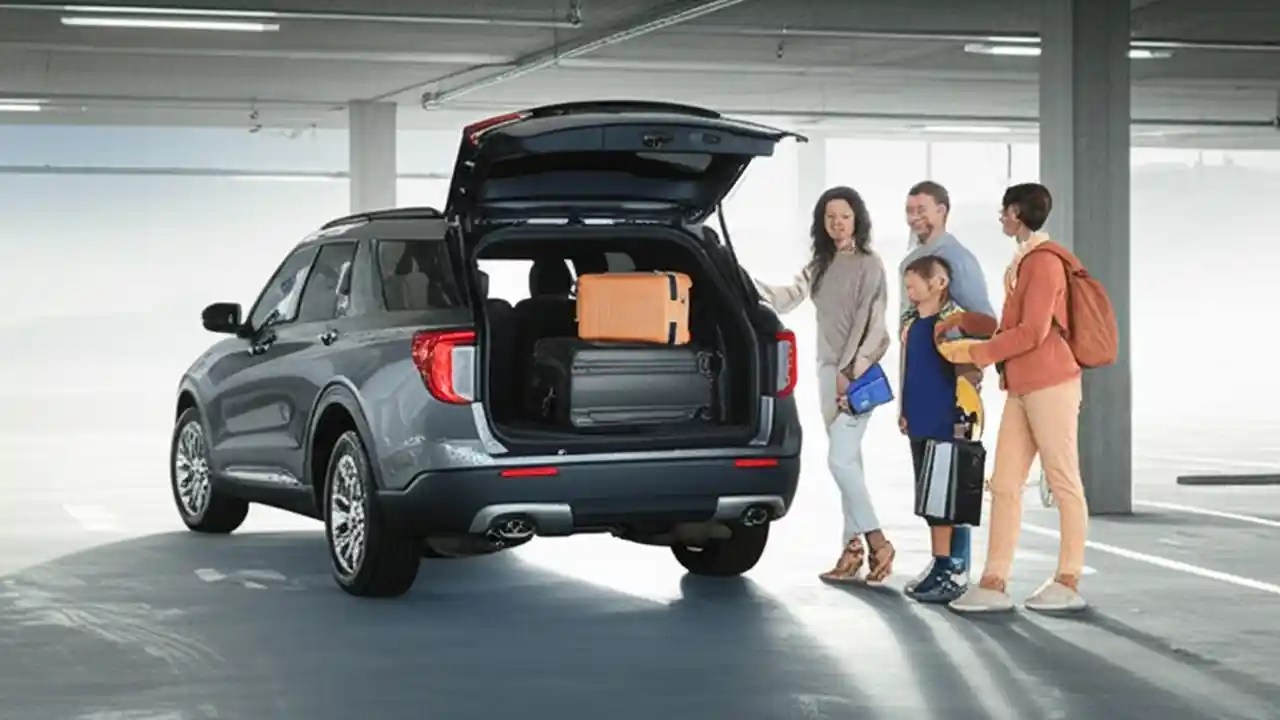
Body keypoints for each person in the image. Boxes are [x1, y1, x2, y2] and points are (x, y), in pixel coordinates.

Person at [946, 183, 1090, 614]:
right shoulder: (1024, 260)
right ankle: (994, 580)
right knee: (1005, 484)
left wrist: (978, 354)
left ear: (1017, 213)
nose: (1000, 218)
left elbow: (1033, 332)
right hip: (1022, 387)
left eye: (1004, 211)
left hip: (1051, 384)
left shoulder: (1043, 262)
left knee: (1063, 479)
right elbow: (1016, 329)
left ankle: (1068, 577)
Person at [753, 186, 895, 585]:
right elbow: (786, 299)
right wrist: (746, 280)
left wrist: (849, 373)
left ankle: (877, 541)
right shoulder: (820, 264)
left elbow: (874, 324)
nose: (837, 223)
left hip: (855, 374)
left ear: (857, 219)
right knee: (850, 463)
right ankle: (851, 553)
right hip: (825, 371)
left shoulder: (870, 264)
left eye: (844, 216)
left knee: (839, 461)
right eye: (830, 217)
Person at [898, 180, 996, 594]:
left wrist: (967, 397)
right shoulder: (913, 259)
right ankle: (942, 563)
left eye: (923, 208)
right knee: (931, 484)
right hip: (921, 396)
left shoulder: (958, 259)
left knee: (951, 482)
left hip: (950, 397)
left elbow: (984, 322)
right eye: (910, 209)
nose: (915, 215)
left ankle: (956, 570)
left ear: (943, 210)